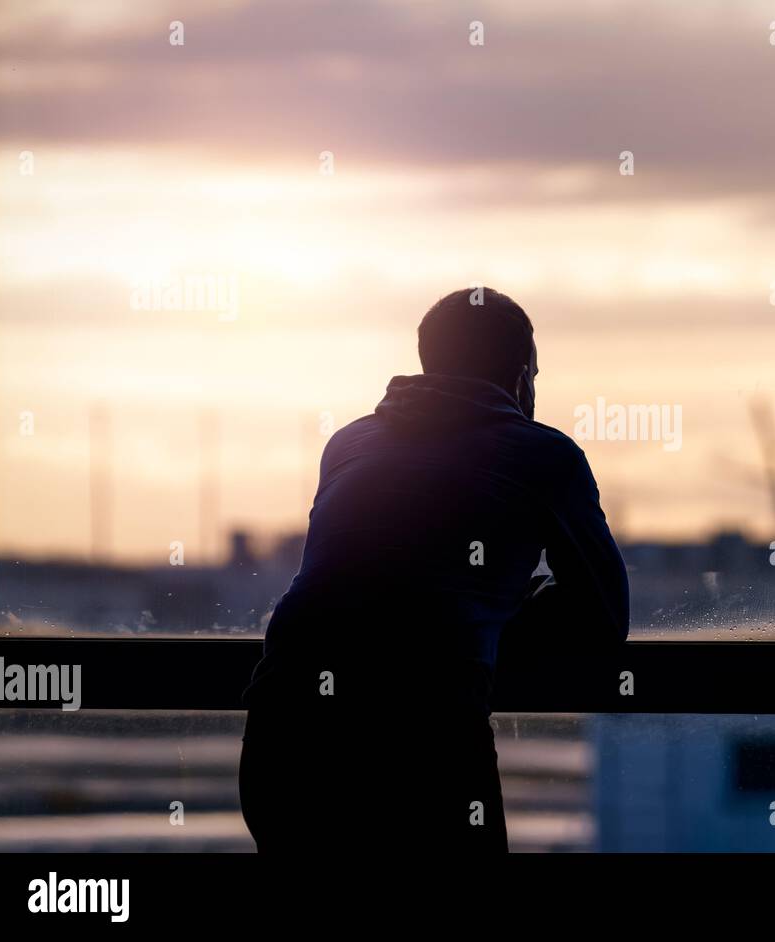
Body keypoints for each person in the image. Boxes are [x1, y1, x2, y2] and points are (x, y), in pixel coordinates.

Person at [239, 287, 630, 854]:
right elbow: (602, 618)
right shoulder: (544, 455)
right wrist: (495, 620)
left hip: (283, 740)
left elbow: (362, 585)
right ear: (522, 376)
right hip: (426, 745)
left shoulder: (348, 443)